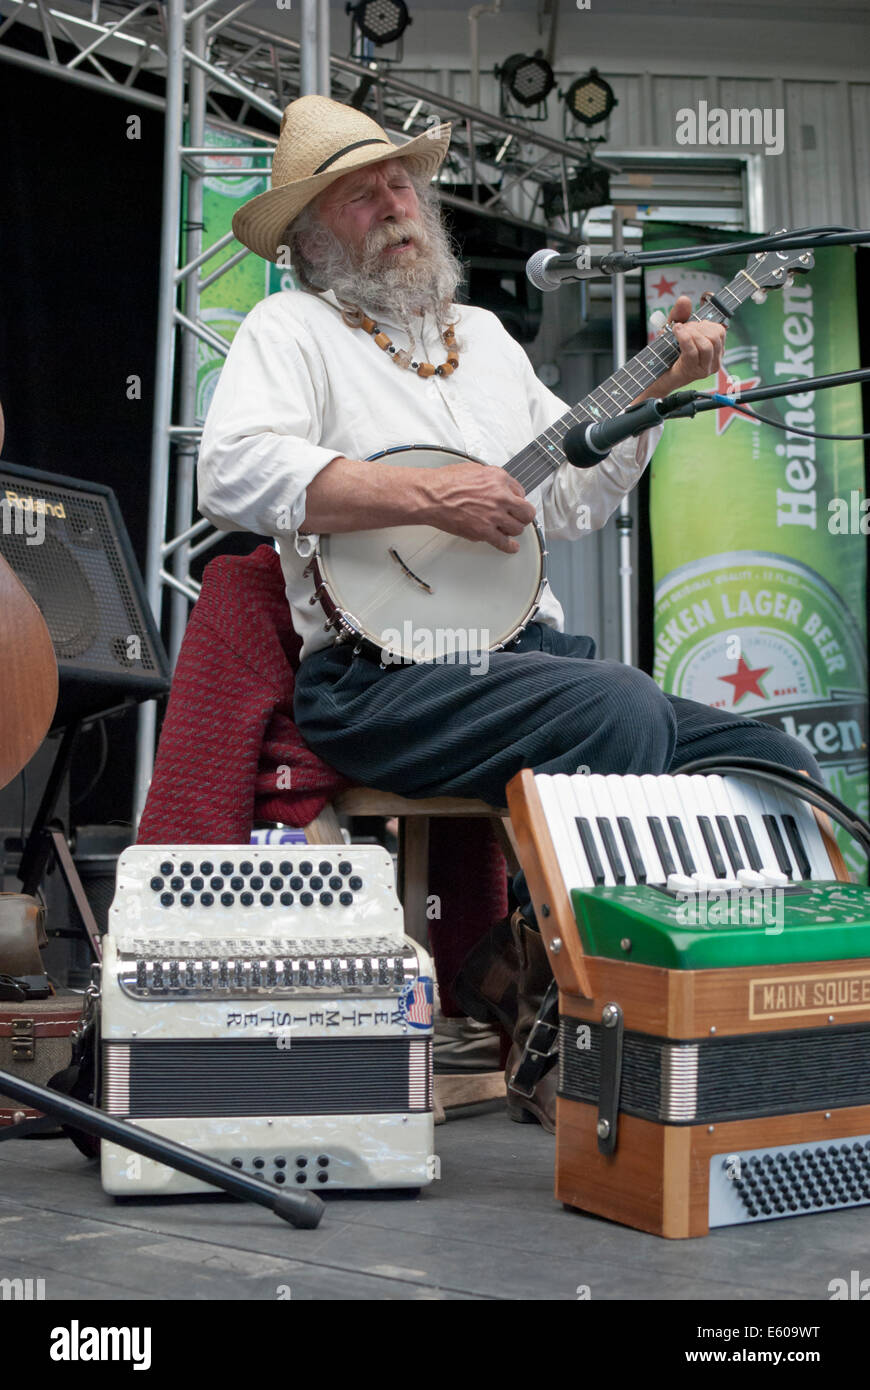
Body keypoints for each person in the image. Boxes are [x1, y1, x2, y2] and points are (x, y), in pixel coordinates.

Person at [198, 96, 821, 1129]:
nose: (394, 204)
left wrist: (651, 396)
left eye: (401, 182)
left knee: (774, 759)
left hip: (525, 663)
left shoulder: (483, 339)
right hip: (380, 678)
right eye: (361, 195)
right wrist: (427, 495)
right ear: (312, 237)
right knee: (618, 706)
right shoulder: (291, 329)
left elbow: (566, 498)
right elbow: (232, 471)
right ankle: (565, 1024)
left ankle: (723, 1016)